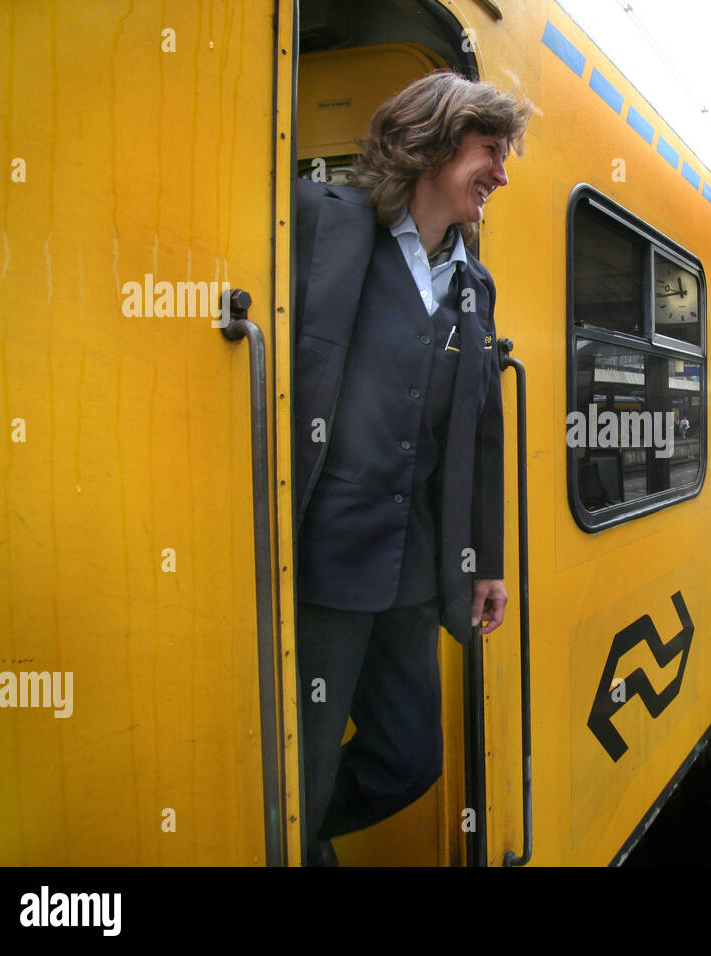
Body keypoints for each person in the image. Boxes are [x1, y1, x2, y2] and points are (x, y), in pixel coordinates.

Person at [292, 72, 532, 866]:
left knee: (408, 758)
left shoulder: (472, 283)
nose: (502, 171)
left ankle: (300, 835)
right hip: (321, 560)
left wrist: (484, 562)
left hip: (412, 569)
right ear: (431, 142)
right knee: (307, 761)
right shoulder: (319, 225)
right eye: (490, 150)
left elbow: (482, 434)